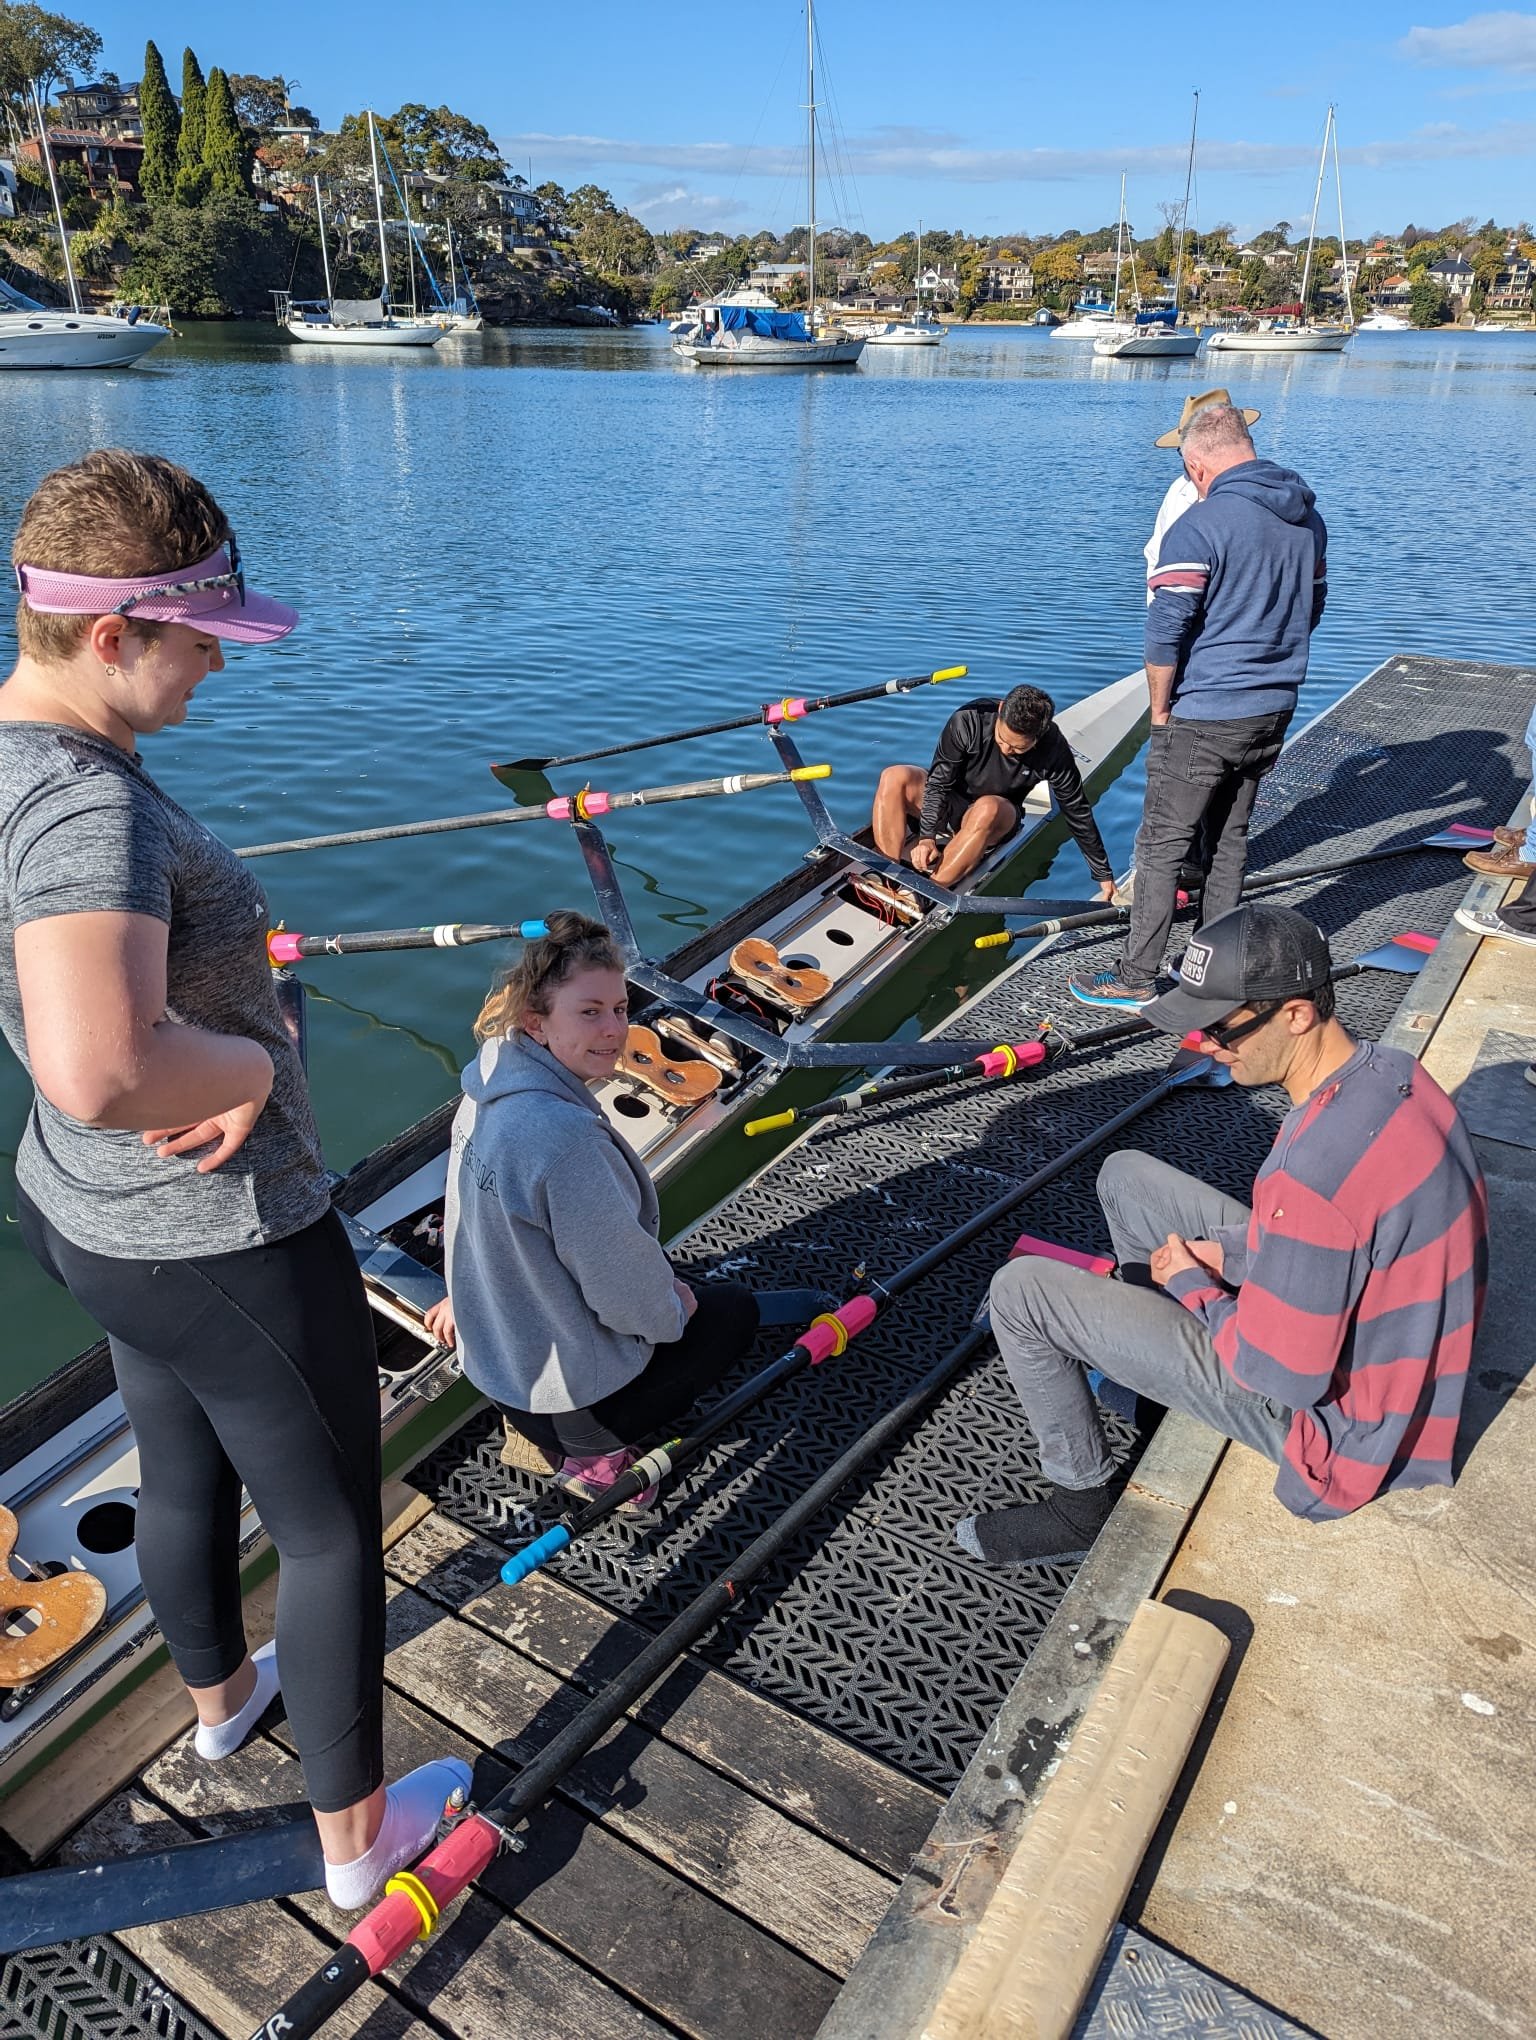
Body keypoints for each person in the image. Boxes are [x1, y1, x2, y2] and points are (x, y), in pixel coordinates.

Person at [0, 451, 466, 1908]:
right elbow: (103, 1070)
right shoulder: (91, 812)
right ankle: (358, 1847)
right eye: (203, 637)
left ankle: (219, 1714)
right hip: (223, 1234)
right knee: (332, 1527)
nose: (220, 663)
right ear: (114, 635)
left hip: (90, 1219)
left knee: (182, 1463)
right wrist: (255, 1069)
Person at [960, 903, 1488, 1566]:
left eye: (1220, 1029)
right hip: (1386, 1352)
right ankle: (1158, 1396)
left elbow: (1286, 1375)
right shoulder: (1390, 1072)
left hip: (1339, 1430)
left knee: (1020, 1291)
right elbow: (1347, 1240)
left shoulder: (1311, 1171)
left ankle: (1081, 1508)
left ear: (1296, 1013)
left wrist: (1194, 1287)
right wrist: (1226, 1253)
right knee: (1126, 1176)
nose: (1206, 1045)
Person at [428, 913, 800, 1503]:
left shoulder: (485, 1086)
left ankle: (559, 1435)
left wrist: (463, 1292)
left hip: (493, 1365)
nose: (614, 1031)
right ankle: (598, 1458)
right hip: (573, 1407)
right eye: (589, 1011)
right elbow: (629, 1299)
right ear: (537, 1022)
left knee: (664, 1284)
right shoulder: (564, 1140)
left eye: (621, 1009)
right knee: (729, 1311)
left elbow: (467, 1213)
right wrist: (671, 1310)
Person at [1069, 405, 1328, 1010]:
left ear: (1196, 464)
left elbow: (1166, 636)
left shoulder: (1199, 523)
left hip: (1207, 709)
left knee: (1160, 846)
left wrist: (1160, 712)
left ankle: (1135, 977)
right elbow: (1313, 607)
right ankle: (1218, 968)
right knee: (1230, 840)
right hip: (1275, 702)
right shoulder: (1307, 518)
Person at [871, 683, 1115, 897]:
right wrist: (927, 837)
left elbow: (1077, 810)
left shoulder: (1054, 749)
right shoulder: (968, 719)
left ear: (1038, 737)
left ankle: (929, 892)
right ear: (1000, 710)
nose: (1007, 750)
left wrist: (1102, 874)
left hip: (996, 818)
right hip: (950, 805)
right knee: (895, 775)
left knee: (987, 807)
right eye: (1002, 740)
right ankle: (885, 873)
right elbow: (938, 783)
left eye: (1017, 749)